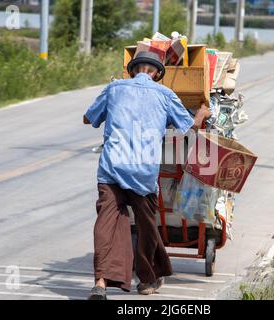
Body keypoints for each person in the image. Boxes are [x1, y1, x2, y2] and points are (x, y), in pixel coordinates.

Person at [83, 51, 210, 300]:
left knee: (106, 226)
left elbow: (89, 118)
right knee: (146, 226)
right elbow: (190, 127)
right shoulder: (165, 94)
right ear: (157, 74)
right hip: (143, 174)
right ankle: (147, 280)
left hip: (111, 169)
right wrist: (202, 113)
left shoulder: (114, 88)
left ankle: (100, 283)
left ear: (133, 70)